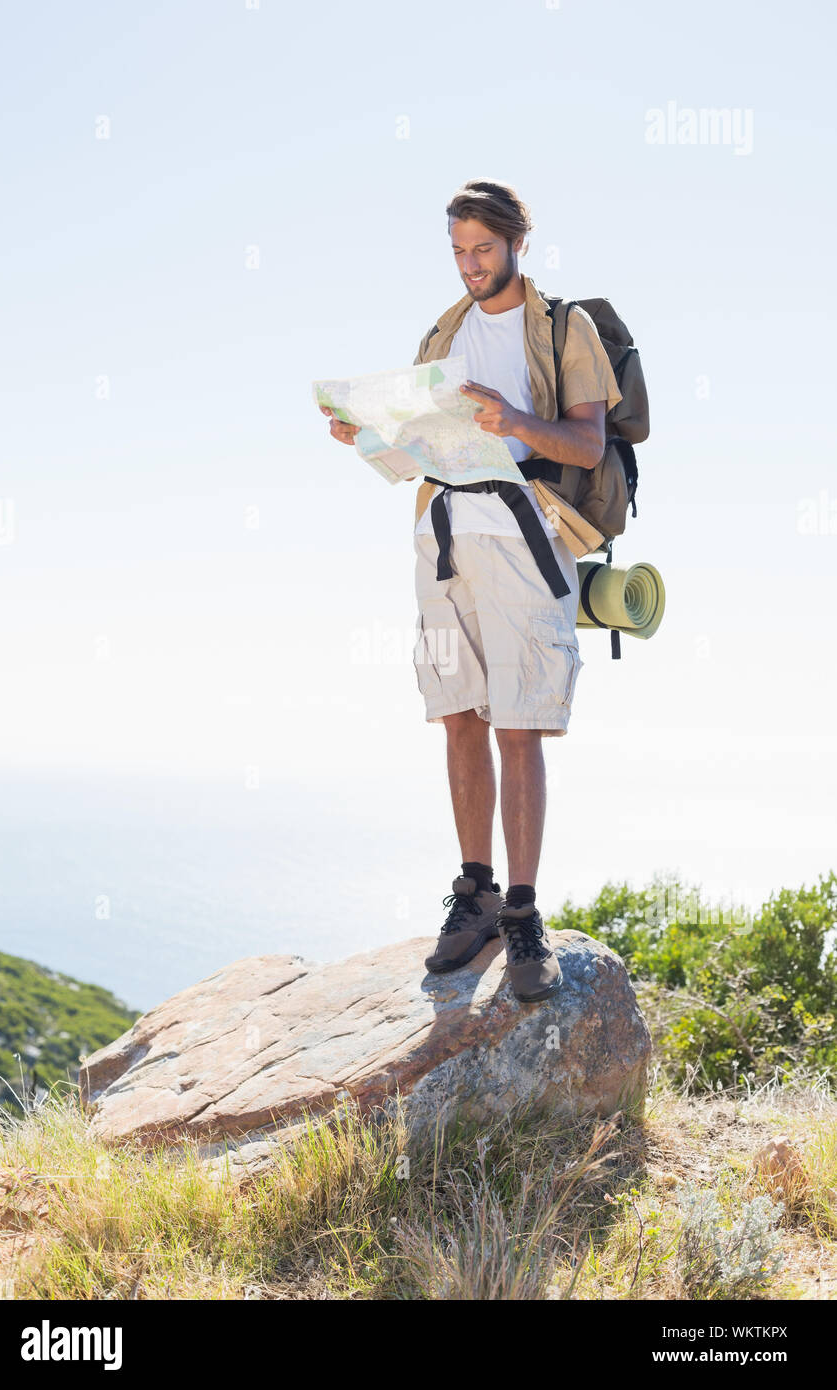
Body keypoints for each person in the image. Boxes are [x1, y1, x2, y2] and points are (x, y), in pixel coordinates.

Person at [320, 179, 620, 1003]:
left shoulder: (566, 328)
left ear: (518, 242)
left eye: (481, 249)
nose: (469, 266)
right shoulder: (441, 332)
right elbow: (421, 448)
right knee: (457, 715)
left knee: (520, 722)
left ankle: (523, 912)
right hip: (443, 536)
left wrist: (513, 422)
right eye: (457, 251)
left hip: (527, 535)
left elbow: (589, 446)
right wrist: (368, 436)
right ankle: (476, 893)